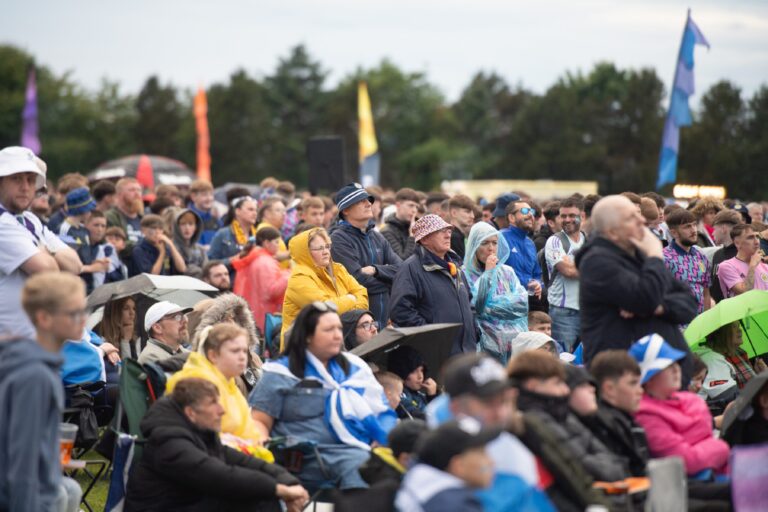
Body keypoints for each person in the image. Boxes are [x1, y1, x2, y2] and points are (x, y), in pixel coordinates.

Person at [249, 302, 396, 490]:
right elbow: (259, 421)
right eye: (328, 330)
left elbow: (381, 413)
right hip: (303, 458)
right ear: (308, 336)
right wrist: (261, 446)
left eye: (338, 329)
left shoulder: (355, 368)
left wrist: (383, 440)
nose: (337, 335)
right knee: (362, 468)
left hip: (358, 450)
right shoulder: (280, 373)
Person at [126, 377, 307, 512]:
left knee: (259, 499)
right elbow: (219, 476)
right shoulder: (168, 442)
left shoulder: (199, 431)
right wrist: (279, 490)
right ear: (191, 413)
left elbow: (243, 461)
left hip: (190, 502)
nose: (222, 410)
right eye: (213, 403)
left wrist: (288, 481)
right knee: (258, 499)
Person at [575, 195, 697, 378]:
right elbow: (645, 298)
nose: (642, 220)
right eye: (631, 217)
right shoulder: (597, 262)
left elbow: (689, 303)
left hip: (661, 377)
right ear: (612, 232)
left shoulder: (640, 256)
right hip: (625, 377)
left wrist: (660, 307)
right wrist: (655, 256)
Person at [0, 272, 87, 512]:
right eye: (73, 313)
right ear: (44, 318)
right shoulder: (35, 375)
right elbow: (22, 461)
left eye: (84, 310)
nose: (83, 319)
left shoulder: (38, 367)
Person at [425, 353, 554, 512]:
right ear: (456, 407)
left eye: (504, 400)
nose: (501, 413)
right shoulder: (432, 461)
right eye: (488, 403)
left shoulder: (508, 444)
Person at [509, 351, 631, 483]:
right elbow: (581, 468)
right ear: (533, 385)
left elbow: (610, 458)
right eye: (557, 383)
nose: (566, 390)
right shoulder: (534, 422)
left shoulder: (563, 415)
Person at [0, 146, 82, 340]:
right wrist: (49, 251)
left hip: (34, 340)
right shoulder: (3, 222)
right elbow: (49, 271)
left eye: (30, 180)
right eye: (16, 178)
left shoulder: (30, 219)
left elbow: (75, 265)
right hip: (12, 345)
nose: (25, 187)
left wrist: (43, 251)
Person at [166, 324, 272, 460]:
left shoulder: (229, 383)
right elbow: (207, 441)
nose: (242, 357)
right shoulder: (199, 383)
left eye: (245, 351)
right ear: (213, 355)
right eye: (235, 351)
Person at [629, 333, 730, 476]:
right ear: (648, 378)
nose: (676, 369)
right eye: (666, 366)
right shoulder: (645, 415)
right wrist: (720, 447)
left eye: (675, 362)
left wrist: (692, 443)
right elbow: (686, 462)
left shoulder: (690, 400)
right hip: (690, 490)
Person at [389, 214, 477, 354]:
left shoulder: (454, 265)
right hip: (436, 355)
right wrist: (431, 337)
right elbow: (401, 312)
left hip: (467, 351)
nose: (448, 235)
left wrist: (474, 331)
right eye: (440, 231)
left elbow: (469, 301)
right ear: (424, 239)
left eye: (448, 231)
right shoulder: (410, 269)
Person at [281, 227, 368, 348]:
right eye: (320, 248)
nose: (326, 251)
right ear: (305, 253)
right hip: (303, 348)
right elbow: (324, 309)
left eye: (327, 247)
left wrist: (346, 307)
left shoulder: (338, 269)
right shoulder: (299, 278)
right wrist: (351, 299)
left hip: (335, 341)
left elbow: (363, 294)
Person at [330, 183, 402, 325]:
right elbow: (357, 280)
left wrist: (376, 270)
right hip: (357, 325)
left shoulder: (377, 237)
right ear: (346, 210)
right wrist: (390, 281)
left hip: (385, 321)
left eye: (368, 200)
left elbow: (402, 269)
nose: (368, 203)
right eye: (361, 201)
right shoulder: (338, 239)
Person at [395, 418, 500, 512]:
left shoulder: (421, 489)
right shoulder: (459, 507)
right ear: (459, 466)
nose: (491, 462)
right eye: (482, 453)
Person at [462, 221, 528, 364]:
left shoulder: (507, 271)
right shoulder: (464, 274)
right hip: (485, 344)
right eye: (484, 243)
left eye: (494, 243)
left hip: (513, 341)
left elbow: (522, 304)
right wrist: (488, 274)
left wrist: (490, 307)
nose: (491, 248)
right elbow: (478, 306)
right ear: (474, 245)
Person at [585, 350, 649, 477]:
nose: (640, 391)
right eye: (633, 383)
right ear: (609, 389)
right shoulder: (604, 427)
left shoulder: (624, 419)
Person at [545, 196, 586, 351]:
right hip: (563, 313)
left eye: (571, 215)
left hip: (587, 310)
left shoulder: (588, 239)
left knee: (587, 360)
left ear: (582, 216)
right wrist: (593, 269)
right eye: (563, 216)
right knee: (563, 360)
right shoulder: (555, 241)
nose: (567, 220)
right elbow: (568, 271)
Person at [230, 226, 290, 333]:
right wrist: (288, 275)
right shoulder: (265, 262)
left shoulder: (253, 257)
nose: (278, 246)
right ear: (266, 243)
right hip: (262, 314)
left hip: (251, 311)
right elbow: (271, 292)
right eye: (276, 242)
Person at [699, 322, 767, 400]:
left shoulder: (738, 352)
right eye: (734, 327)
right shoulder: (711, 359)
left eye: (739, 326)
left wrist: (762, 375)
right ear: (721, 332)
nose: (739, 330)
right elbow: (731, 397)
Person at [662, 209, 712, 314]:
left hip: (700, 324)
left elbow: (706, 293)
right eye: (687, 227)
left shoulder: (701, 256)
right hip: (677, 324)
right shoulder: (665, 258)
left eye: (694, 225)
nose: (694, 230)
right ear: (674, 233)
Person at [500, 200, 543, 301]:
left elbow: (537, 273)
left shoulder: (530, 243)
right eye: (524, 211)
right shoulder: (500, 238)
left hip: (528, 302)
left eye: (531, 211)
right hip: (505, 303)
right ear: (511, 217)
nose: (530, 215)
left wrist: (538, 284)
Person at [78, 210, 127, 293]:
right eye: (96, 225)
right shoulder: (77, 244)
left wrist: (106, 267)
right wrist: (91, 268)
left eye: (103, 226)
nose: (100, 229)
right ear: (85, 225)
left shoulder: (102, 249)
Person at [208, 195, 258, 276]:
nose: (255, 213)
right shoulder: (223, 234)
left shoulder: (258, 235)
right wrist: (236, 258)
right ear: (237, 211)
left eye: (256, 210)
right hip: (230, 283)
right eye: (250, 209)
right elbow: (210, 263)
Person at [717, 223, 768, 298]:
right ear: (737, 243)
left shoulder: (765, 267)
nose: (757, 242)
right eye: (750, 238)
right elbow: (745, 292)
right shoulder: (727, 266)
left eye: (757, 237)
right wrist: (752, 267)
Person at [387, 346, 438, 419]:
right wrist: (433, 398)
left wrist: (432, 396)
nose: (420, 376)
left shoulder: (420, 395)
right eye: (414, 371)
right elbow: (419, 418)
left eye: (421, 370)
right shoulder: (398, 396)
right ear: (402, 372)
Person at [709, 209, 743, 303]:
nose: (712, 233)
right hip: (717, 310)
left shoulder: (742, 254)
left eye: (715, 229)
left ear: (723, 228)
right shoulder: (717, 254)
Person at [380, 187, 420, 260]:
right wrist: (412, 236)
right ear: (398, 205)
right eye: (410, 205)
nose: (414, 210)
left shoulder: (417, 226)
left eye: (416, 207)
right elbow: (402, 261)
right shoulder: (386, 231)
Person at [105, 177, 143, 245]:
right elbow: (117, 244)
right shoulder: (110, 217)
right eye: (132, 190)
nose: (137, 194)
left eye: (139, 190)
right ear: (119, 194)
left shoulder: (144, 219)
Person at [172, 208, 208, 278]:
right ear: (176, 226)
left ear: (196, 227)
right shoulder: (170, 247)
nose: (187, 228)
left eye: (191, 224)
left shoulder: (200, 249)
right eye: (183, 224)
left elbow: (207, 271)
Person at [255, 196, 291, 269]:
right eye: (278, 210)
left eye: (284, 211)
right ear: (267, 213)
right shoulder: (265, 229)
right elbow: (271, 256)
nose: (284, 214)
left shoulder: (271, 229)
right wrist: (295, 252)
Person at [187, 179, 222, 247]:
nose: (209, 198)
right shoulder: (186, 218)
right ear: (193, 197)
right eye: (204, 195)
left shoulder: (215, 220)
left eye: (211, 195)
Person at [446, 194, 475, 260]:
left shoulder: (457, 235)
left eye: (472, 212)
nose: (472, 216)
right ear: (454, 213)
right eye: (467, 212)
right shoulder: (454, 237)